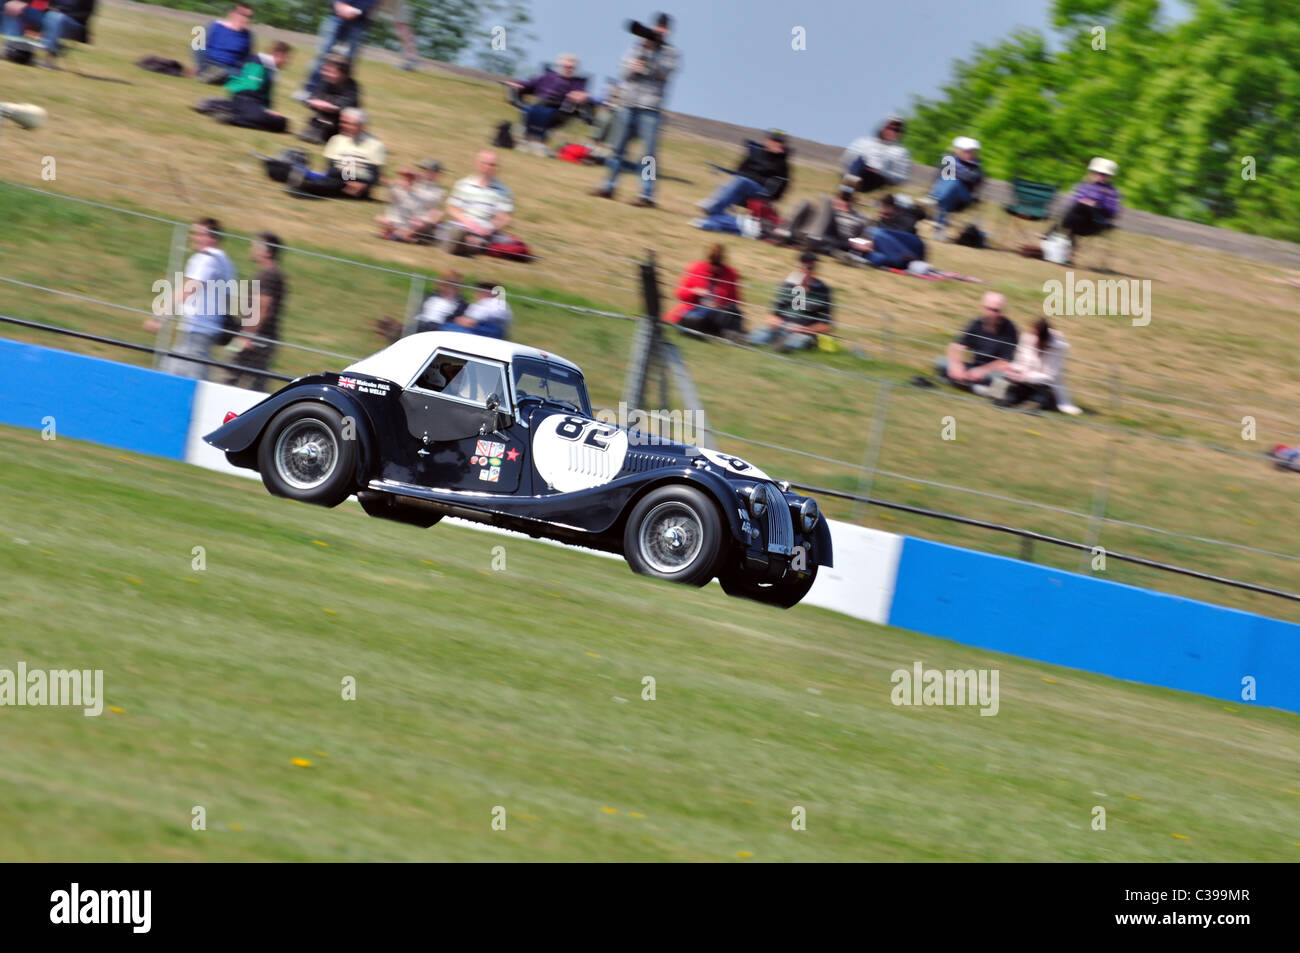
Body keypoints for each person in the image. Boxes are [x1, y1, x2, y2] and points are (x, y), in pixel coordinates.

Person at [590, 12, 679, 207]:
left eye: (662, 28)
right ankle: (608, 186)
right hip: (628, 104)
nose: (658, 31)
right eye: (657, 27)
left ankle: (646, 195)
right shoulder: (636, 47)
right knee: (617, 149)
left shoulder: (671, 52)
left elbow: (663, 73)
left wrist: (651, 54)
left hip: (650, 108)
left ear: (668, 31)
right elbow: (623, 73)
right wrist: (635, 61)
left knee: (648, 155)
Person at [144, 217, 237, 381]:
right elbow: (228, 299)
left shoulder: (205, 259)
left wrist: (160, 317)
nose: (192, 237)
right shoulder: (227, 262)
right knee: (173, 370)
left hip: (196, 329)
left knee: (184, 378)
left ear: (211, 238)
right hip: (208, 330)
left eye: (198, 234)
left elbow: (187, 289)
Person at [272, 107, 384, 198]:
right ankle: (301, 182)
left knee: (329, 182)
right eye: (342, 122)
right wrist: (347, 173)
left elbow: (374, 176)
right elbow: (331, 169)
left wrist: (362, 183)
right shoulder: (336, 140)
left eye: (347, 123)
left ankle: (303, 186)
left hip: (359, 186)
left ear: (360, 126)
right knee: (322, 177)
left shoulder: (375, 145)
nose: (342, 125)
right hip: (338, 178)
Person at [227, 231, 287, 391]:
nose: (251, 249)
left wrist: (247, 335)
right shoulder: (273, 274)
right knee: (256, 384)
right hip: (262, 337)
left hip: (256, 338)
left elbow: (262, 307)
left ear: (266, 251)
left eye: (255, 246)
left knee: (229, 377)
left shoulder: (269, 275)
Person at [694, 131, 791, 224]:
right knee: (730, 185)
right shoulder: (755, 153)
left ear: (782, 145)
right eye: (774, 140)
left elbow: (778, 188)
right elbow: (739, 171)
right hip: (745, 186)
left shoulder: (782, 164)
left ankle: (713, 207)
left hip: (763, 193)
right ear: (767, 141)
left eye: (779, 142)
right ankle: (714, 213)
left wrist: (752, 179)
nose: (776, 143)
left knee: (743, 181)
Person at [992, 318, 1081, 414]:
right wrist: (1012, 369)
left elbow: (1050, 377)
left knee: (1041, 396)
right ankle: (1008, 399)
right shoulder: (1027, 339)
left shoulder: (1058, 348)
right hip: (1023, 383)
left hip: (1045, 387)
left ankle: (1033, 403)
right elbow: (1021, 362)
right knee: (1001, 381)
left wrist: (1025, 376)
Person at [748, 250, 833, 352]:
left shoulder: (823, 290)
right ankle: (744, 339)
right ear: (799, 268)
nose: (810, 272)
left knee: (799, 340)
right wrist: (782, 325)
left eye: (813, 268)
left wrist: (806, 330)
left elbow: (826, 326)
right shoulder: (787, 285)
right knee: (761, 333)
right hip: (782, 329)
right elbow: (772, 316)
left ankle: (782, 346)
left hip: (803, 333)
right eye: (807, 268)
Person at [935, 291, 1019, 390]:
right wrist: (956, 365)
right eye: (989, 309)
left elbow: (1005, 362)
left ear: (1003, 311)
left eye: (996, 310)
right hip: (974, 368)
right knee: (941, 361)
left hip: (994, 371)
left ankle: (963, 383)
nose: (993, 314)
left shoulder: (1010, 329)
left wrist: (983, 370)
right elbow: (955, 346)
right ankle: (974, 385)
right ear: (982, 308)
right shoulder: (976, 324)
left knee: (1005, 378)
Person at [508, 53, 589, 151]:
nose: (569, 69)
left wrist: (581, 96)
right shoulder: (547, 76)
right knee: (534, 108)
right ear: (559, 66)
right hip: (540, 104)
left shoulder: (577, 83)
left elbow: (582, 95)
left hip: (559, 110)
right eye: (566, 67)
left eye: (572, 67)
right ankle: (528, 139)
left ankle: (536, 140)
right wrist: (517, 85)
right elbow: (529, 84)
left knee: (540, 110)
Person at [440, 150, 513, 256]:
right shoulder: (463, 184)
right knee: (454, 231)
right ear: (477, 164)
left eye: (492, 164)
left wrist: (489, 228)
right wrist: (468, 222)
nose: (488, 167)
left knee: (503, 241)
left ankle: (461, 245)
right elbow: (451, 208)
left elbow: (504, 217)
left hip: (485, 229)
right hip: (463, 224)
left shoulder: (503, 191)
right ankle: (463, 244)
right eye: (484, 163)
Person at [664, 244, 744, 337]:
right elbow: (679, 293)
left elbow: (735, 301)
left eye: (718, 265)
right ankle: (691, 326)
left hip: (717, 314)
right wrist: (694, 291)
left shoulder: (731, 274)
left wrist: (720, 305)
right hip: (693, 310)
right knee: (697, 316)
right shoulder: (696, 268)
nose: (715, 268)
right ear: (708, 260)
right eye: (713, 264)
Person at [301, 0, 377, 95]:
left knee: (348, 62)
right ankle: (309, 90)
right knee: (323, 55)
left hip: (359, 21)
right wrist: (339, 5)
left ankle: (340, 96)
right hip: (335, 16)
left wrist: (357, 11)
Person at [781, 183, 869, 259]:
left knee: (826, 201)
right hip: (810, 232)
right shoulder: (828, 210)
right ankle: (786, 233)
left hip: (834, 238)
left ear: (853, 200)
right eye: (841, 197)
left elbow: (863, 241)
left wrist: (854, 244)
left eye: (847, 199)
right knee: (806, 203)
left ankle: (811, 239)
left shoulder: (859, 218)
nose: (843, 201)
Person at [222, 40, 291, 132]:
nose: (287, 62)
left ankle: (231, 112)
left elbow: (266, 98)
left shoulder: (272, 71)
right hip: (243, 98)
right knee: (263, 118)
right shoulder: (258, 61)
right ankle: (232, 117)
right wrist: (263, 110)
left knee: (282, 122)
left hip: (253, 103)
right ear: (278, 54)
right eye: (286, 58)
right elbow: (249, 90)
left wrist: (269, 111)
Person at [1, 0, 95, 67]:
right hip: (47, 17)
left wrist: (61, 13)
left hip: (72, 23)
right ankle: (13, 49)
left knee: (56, 17)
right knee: (13, 5)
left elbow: (84, 14)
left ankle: (48, 59)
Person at [297, 52, 359, 144]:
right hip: (321, 122)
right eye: (324, 70)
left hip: (337, 127)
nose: (324, 73)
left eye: (329, 71)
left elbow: (345, 107)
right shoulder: (326, 83)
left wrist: (328, 106)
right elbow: (314, 99)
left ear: (342, 73)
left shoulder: (351, 87)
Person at [841, 116, 912, 194]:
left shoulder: (901, 152)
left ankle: (849, 187)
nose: (893, 132)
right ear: (882, 128)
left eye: (897, 130)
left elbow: (900, 177)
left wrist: (882, 172)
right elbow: (847, 160)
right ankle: (850, 186)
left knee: (871, 170)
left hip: (878, 178)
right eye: (890, 128)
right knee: (860, 160)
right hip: (859, 170)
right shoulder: (864, 142)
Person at [928, 136, 983, 235]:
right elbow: (941, 175)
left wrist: (954, 172)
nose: (970, 154)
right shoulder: (949, 159)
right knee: (948, 190)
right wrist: (958, 173)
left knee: (954, 182)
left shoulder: (976, 166)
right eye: (967, 151)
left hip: (964, 197)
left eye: (971, 152)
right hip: (949, 195)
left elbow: (972, 178)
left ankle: (935, 197)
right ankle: (939, 229)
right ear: (958, 151)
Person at [1054, 157, 1121, 240]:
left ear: (1109, 176)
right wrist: (1084, 202)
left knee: (1083, 206)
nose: (1102, 176)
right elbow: (1074, 200)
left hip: (1094, 222)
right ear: (1093, 173)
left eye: (1105, 175)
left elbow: (1111, 211)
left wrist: (1096, 204)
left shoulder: (1111, 191)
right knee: (1078, 206)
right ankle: (1061, 234)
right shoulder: (1082, 186)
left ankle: (1061, 232)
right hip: (1077, 218)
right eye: (1099, 173)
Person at [860, 194, 927, 269]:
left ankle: (908, 262)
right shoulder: (887, 220)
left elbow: (901, 236)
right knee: (878, 257)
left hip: (909, 253)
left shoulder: (906, 218)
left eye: (884, 209)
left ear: (893, 207)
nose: (881, 213)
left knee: (873, 231)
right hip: (902, 255)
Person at [193, 3, 254, 84]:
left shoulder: (247, 35)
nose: (245, 19)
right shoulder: (214, 26)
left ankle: (213, 77)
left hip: (229, 67)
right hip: (209, 62)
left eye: (248, 17)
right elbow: (197, 47)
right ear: (232, 13)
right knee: (198, 47)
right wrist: (200, 65)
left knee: (244, 74)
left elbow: (246, 58)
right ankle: (208, 75)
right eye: (243, 15)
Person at [444, 282, 512, 339]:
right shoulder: (481, 303)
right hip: (483, 331)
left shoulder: (494, 302)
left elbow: (471, 322)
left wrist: (459, 320)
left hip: (485, 331)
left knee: (447, 327)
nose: (479, 292)